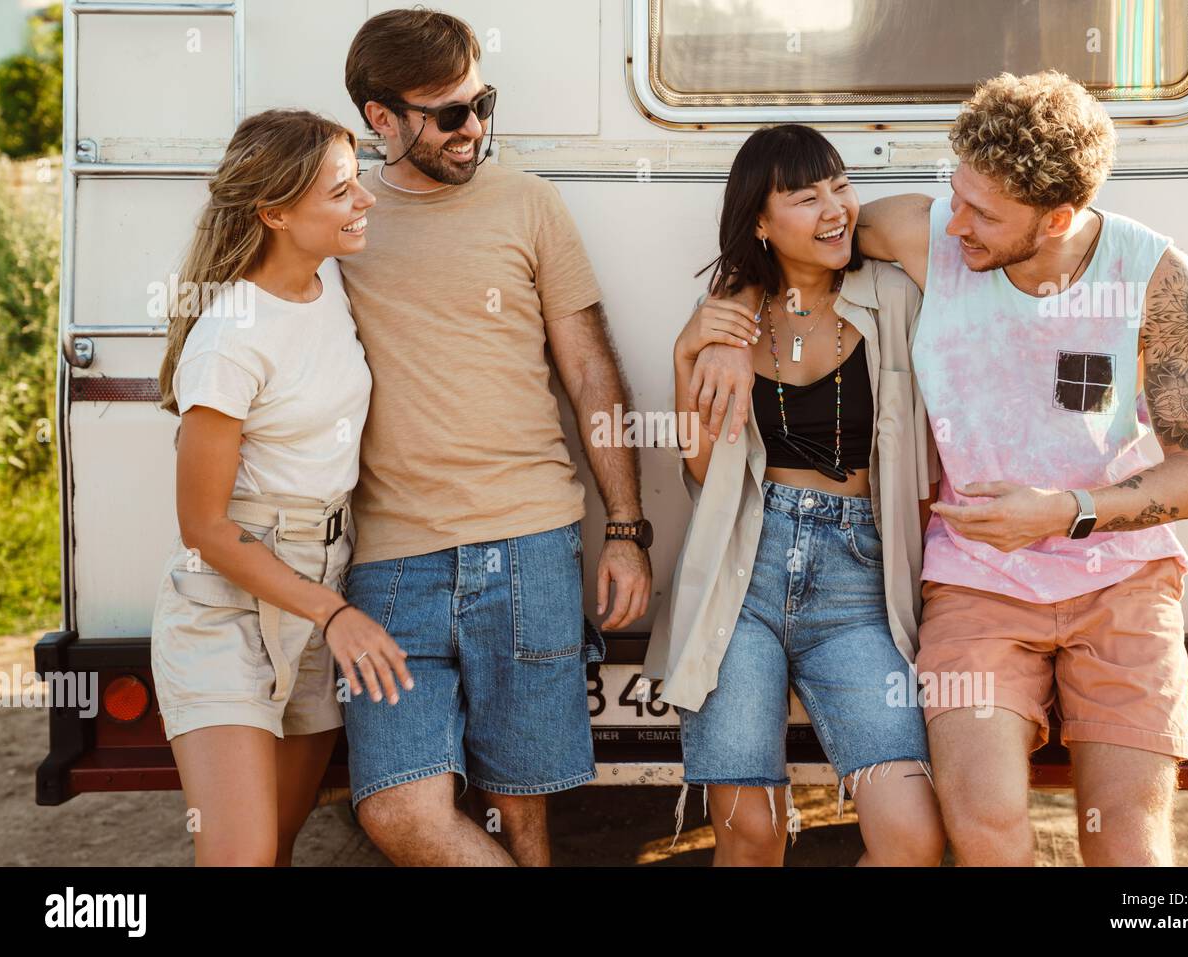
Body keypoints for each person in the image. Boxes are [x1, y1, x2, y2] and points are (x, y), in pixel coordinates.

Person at [688, 72, 1188, 866]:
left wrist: (1066, 509)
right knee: (983, 827)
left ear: (1058, 217)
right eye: (956, 191)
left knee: (1126, 846)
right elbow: (786, 237)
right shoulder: (924, 230)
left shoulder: (1153, 277)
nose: (957, 222)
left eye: (983, 213)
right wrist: (728, 331)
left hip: (1122, 580)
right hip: (978, 584)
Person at [336, 8, 652, 867]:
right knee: (399, 811)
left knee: (526, 816)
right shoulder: (342, 222)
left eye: (482, 103)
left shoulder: (530, 203)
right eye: (447, 114)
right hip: (392, 562)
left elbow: (590, 371)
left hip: (529, 542)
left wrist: (625, 529)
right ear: (381, 119)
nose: (474, 128)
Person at [645, 124, 946, 866]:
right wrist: (690, 353)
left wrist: (835, 220)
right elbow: (702, 474)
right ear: (758, 220)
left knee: (911, 836)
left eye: (838, 185)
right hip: (742, 573)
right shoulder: (728, 322)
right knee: (749, 832)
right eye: (804, 197)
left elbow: (915, 215)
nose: (834, 207)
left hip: (858, 582)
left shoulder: (895, 294)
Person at [152, 109, 412, 866]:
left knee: (278, 847)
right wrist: (334, 614)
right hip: (228, 606)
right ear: (274, 213)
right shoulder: (229, 338)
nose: (364, 199)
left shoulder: (327, 279)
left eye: (357, 178)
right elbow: (202, 524)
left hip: (319, 581)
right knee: (239, 856)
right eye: (341, 191)